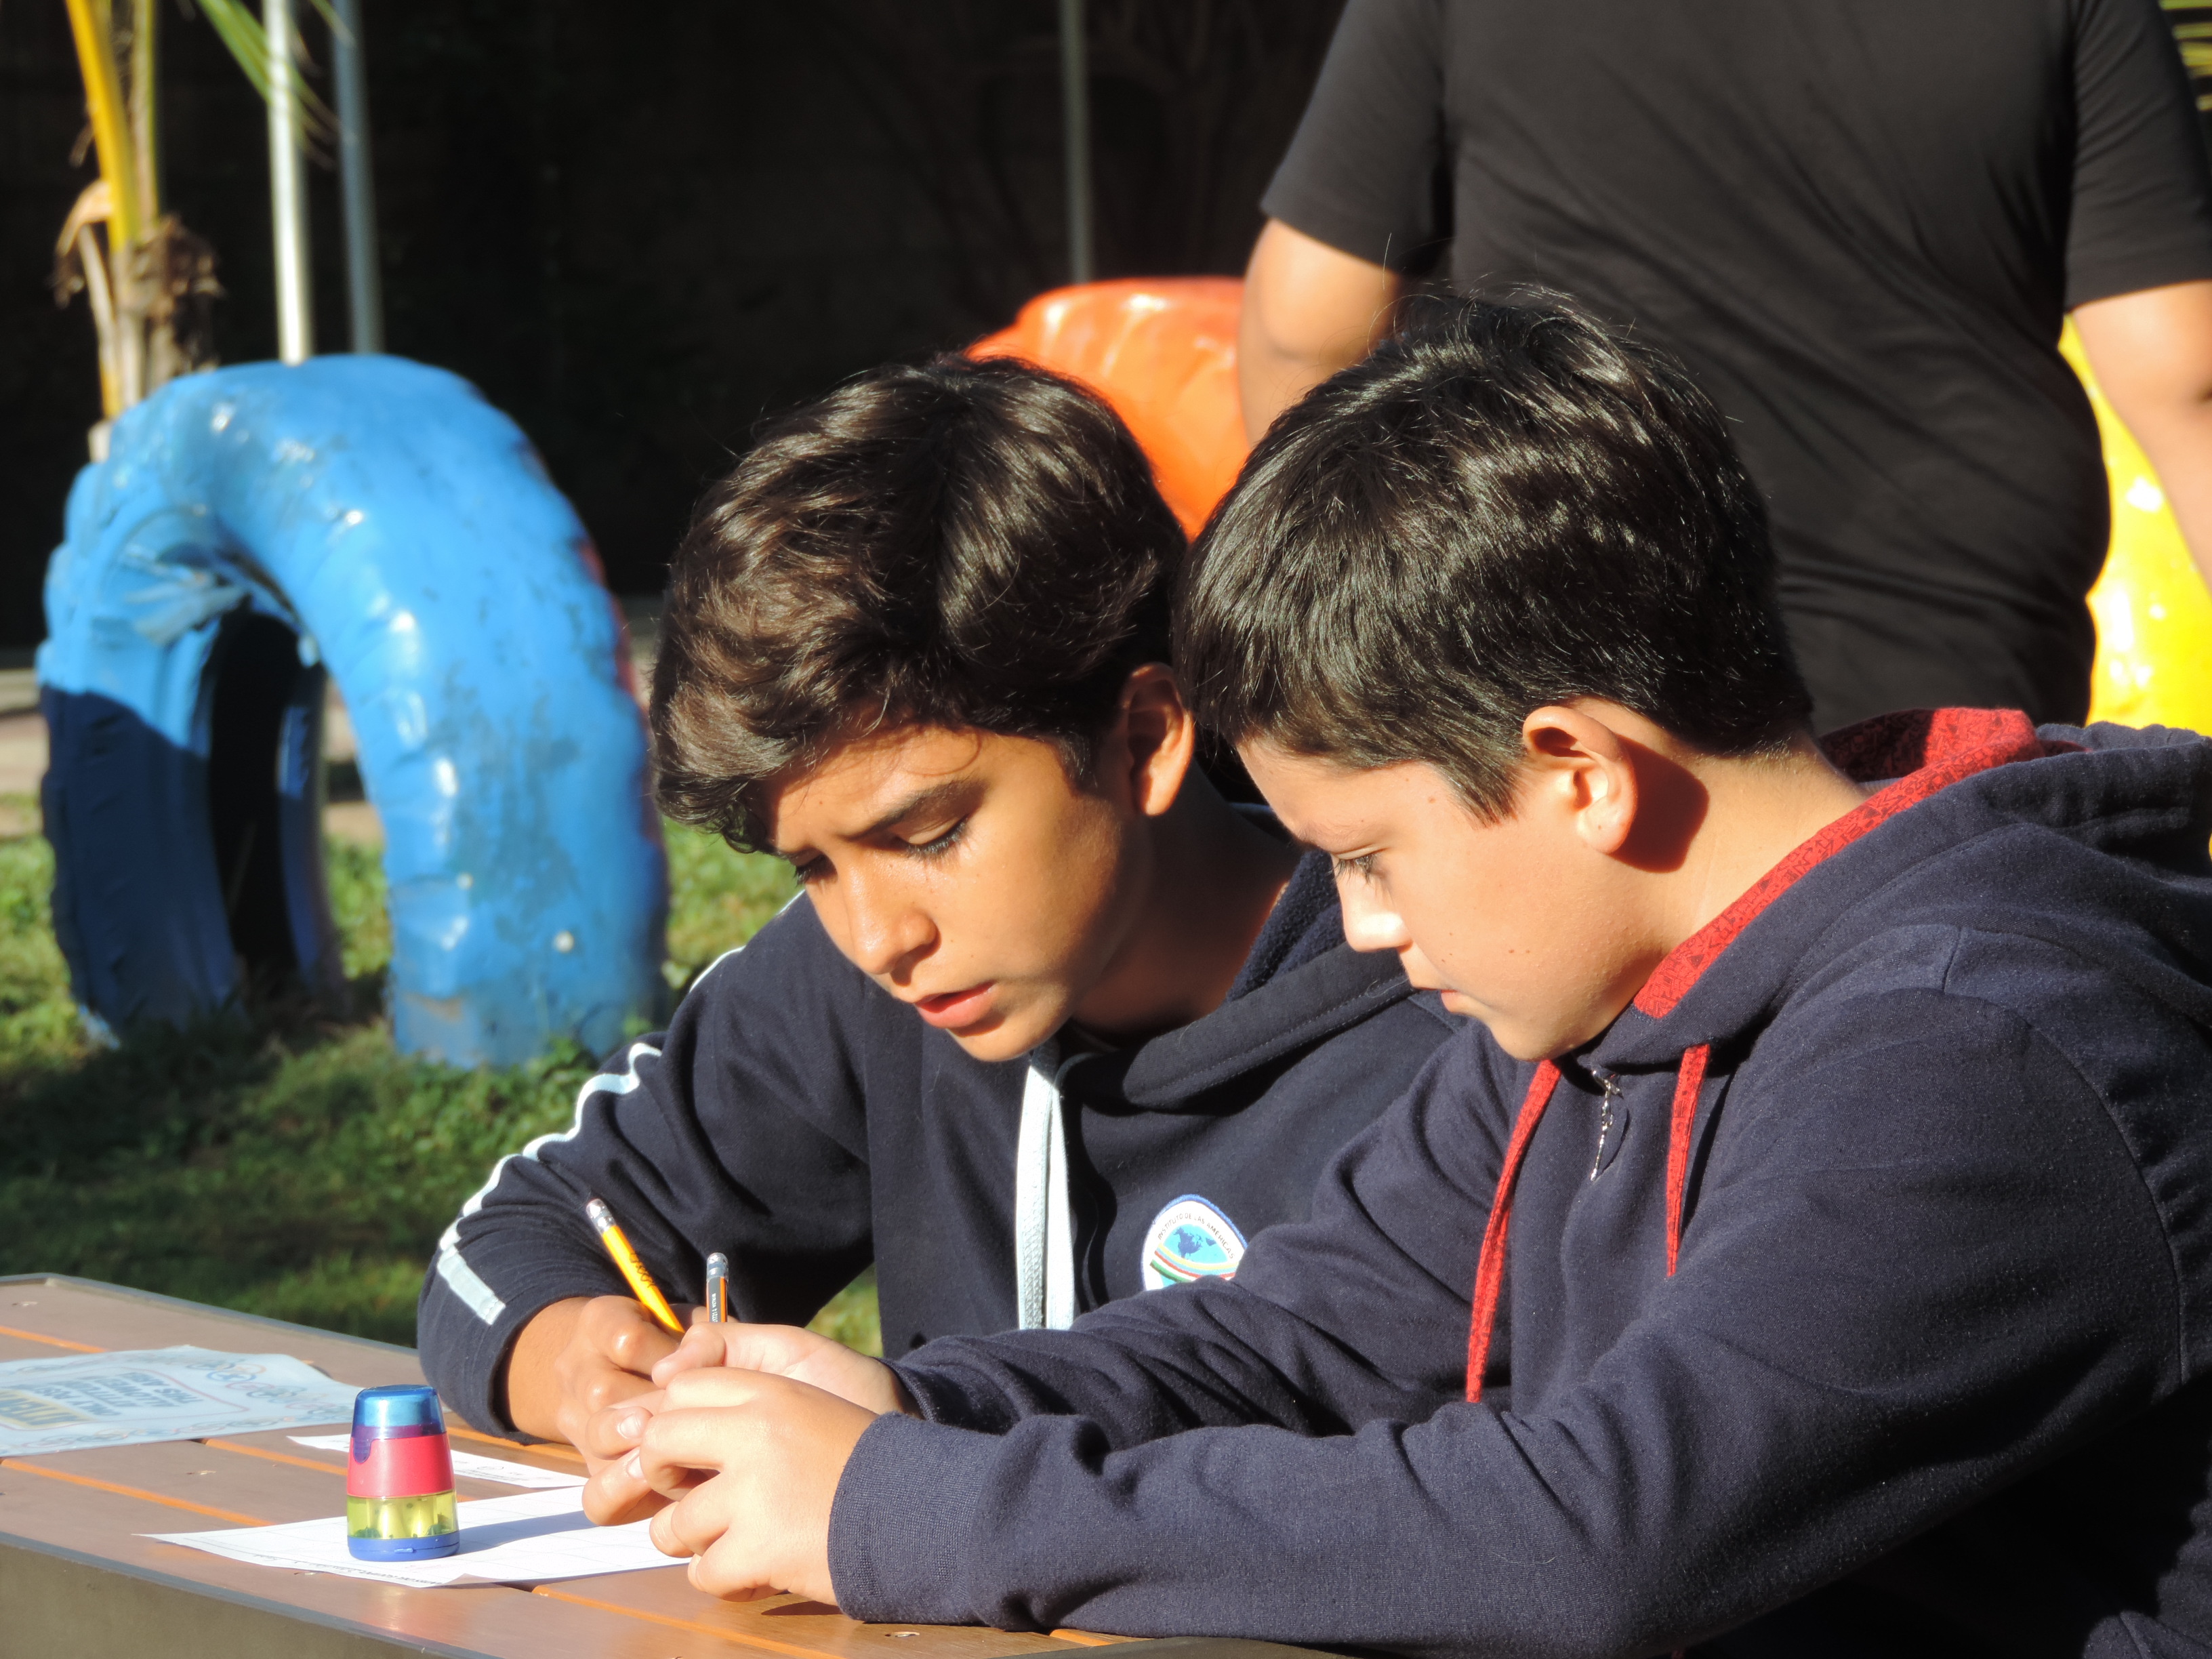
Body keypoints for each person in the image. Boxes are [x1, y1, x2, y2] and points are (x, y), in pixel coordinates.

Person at [581, 300, 2212, 1657]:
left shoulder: (1990, 1039)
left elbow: (1603, 1533)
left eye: (1367, 856)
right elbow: (1287, 1343)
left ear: (1578, 769)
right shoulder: (1585, 1010)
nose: (1356, 925)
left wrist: (898, 1512)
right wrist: (901, 1405)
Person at [415, 355, 1458, 1456]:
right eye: (810, 867)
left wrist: (908, 1450)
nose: (878, 937)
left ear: (1145, 739)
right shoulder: (879, 987)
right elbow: (510, 1244)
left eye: (925, 837)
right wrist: (590, 1372)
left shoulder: (1447, 1019)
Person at [1235, 0, 2212, 733]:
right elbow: (2190, 383)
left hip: (1581, 676)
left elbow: (1301, 328)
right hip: (1953, 686)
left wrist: (1354, 669)